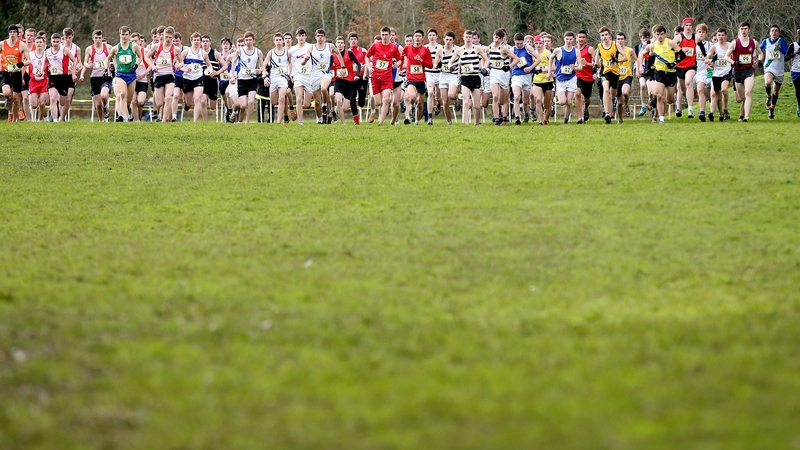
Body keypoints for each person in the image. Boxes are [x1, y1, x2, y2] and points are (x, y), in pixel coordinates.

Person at [300, 28, 344, 124]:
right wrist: (306, 59)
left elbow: (338, 54)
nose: (320, 38)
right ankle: (320, 119)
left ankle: (325, 104)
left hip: (326, 73)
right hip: (315, 75)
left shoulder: (330, 46)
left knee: (324, 89)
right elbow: (303, 62)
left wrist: (343, 66)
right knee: (316, 102)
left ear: (324, 37)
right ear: (315, 37)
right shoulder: (311, 48)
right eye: (318, 36)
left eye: (322, 36)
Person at [639, 24, 681, 124]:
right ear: (653, 34)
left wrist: (675, 63)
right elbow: (641, 54)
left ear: (664, 34)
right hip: (653, 72)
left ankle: (656, 112)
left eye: (661, 34)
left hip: (669, 73)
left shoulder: (668, 43)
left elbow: (679, 53)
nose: (658, 35)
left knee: (668, 99)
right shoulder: (649, 45)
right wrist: (640, 67)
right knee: (657, 95)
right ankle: (658, 115)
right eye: (656, 33)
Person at [724, 21, 763, 122]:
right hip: (738, 72)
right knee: (742, 97)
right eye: (742, 29)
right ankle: (742, 114)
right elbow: (726, 57)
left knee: (748, 92)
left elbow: (761, 53)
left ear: (749, 30)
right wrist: (734, 62)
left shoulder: (754, 42)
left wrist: (759, 61)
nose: (744, 31)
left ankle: (746, 116)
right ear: (739, 30)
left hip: (749, 71)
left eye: (745, 29)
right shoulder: (734, 43)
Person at [107, 26, 145, 122]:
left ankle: (126, 113)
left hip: (131, 75)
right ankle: (125, 118)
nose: (124, 36)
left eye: (126, 34)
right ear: (120, 35)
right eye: (122, 34)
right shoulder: (116, 48)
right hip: (120, 74)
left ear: (129, 35)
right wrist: (107, 70)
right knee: (122, 94)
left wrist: (136, 65)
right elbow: (108, 58)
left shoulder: (134, 47)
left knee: (129, 99)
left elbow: (141, 57)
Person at [366, 26, 402, 125]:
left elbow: (400, 60)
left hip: (387, 77)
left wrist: (396, 65)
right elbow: (367, 57)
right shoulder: (375, 45)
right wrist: (369, 68)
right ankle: (383, 111)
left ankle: (380, 122)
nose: (385, 37)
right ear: (380, 35)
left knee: (386, 98)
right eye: (383, 35)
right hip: (376, 77)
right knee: (379, 102)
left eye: (386, 35)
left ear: (390, 35)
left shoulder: (394, 48)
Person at [451, 30, 488, 125]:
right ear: (463, 38)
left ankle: (476, 123)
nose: (468, 39)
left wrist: (484, 68)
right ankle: (467, 124)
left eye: (470, 37)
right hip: (465, 78)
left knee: (477, 106)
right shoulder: (459, 50)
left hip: (475, 77)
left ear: (472, 39)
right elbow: (450, 61)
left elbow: (487, 60)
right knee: (466, 102)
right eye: (466, 37)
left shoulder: (477, 49)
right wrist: (452, 66)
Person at [145, 26, 181, 122]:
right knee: (160, 103)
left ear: (173, 37)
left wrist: (178, 64)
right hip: (158, 75)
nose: (168, 39)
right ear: (163, 36)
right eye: (166, 37)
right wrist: (152, 66)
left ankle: (163, 120)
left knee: (168, 97)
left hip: (169, 75)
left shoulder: (176, 49)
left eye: (170, 37)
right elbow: (147, 57)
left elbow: (181, 61)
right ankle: (161, 113)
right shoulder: (157, 46)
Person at [179, 32, 216, 122]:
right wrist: (184, 69)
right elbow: (178, 64)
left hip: (198, 78)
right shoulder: (186, 52)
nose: (196, 42)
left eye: (198, 40)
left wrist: (211, 70)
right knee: (189, 102)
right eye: (194, 40)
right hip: (187, 78)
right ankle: (187, 104)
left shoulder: (203, 54)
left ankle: (195, 122)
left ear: (200, 42)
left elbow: (209, 65)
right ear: (191, 41)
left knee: (197, 98)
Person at [486, 28, 519, 125]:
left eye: (499, 38)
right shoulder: (489, 48)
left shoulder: (503, 48)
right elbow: (484, 59)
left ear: (502, 39)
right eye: (495, 37)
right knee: (495, 96)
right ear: (493, 36)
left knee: (503, 100)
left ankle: (504, 116)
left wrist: (509, 66)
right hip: (494, 73)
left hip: (503, 74)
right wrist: (485, 67)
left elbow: (516, 59)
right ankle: (496, 119)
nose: (496, 40)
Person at [548, 31, 582, 124]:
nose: (569, 41)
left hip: (571, 78)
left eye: (570, 39)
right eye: (567, 39)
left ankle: (566, 120)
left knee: (569, 102)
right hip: (560, 79)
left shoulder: (576, 51)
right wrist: (549, 72)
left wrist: (574, 67)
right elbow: (551, 58)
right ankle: (566, 117)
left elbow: (580, 67)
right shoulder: (558, 50)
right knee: (563, 101)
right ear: (564, 39)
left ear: (573, 40)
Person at [229, 31, 263, 124]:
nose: (248, 42)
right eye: (246, 40)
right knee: (243, 105)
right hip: (242, 80)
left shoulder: (258, 52)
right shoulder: (239, 51)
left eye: (250, 40)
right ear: (244, 41)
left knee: (251, 101)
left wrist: (260, 70)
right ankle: (239, 120)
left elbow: (262, 66)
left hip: (252, 80)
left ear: (253, 41)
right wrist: (232, 75)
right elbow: (234, 62)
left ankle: (247, 123)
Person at [595, 26, 627, 124]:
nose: (604, 37)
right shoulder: (599, 46)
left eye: (606, 35)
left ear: (610, 36)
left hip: (615, 73)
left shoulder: (615, 44)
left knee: (612, 95)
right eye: (602, 35)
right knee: (605, 90)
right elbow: (597, 59)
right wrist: (595, 65)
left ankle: (613, 113)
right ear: (600, 37)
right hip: (605, 72)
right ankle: (607, 113)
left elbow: (625, 57)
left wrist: (617, 60)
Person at [402, 29, 433, 124]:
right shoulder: (407, 48)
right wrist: (400, 68)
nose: (417, 38)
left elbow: (430, 65)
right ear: (413, 38)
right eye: (416, 36)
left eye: (419, 36)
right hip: (411, 78)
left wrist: (422, 61)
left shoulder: (425, 50)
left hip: (421, 79)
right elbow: (401, 58)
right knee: (412, 97)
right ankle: (411, 107)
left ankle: (417, 120)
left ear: (422, 38)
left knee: (420, 105)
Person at [44, 32, 78, 121]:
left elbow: (74, 60)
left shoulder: (65, 50)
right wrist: (42, 72)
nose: (55, 44)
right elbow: (45, 62)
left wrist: (73, 74)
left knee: (63, 102)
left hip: (63, 77)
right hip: (52, 77)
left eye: (57, 42)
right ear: (51, 41)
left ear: (60, 41)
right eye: (54, 41)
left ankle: (60, 115)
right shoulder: (47, 52)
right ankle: (55, 121)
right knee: (53, 98)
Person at [80, 29, 112, 122]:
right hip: (94, 77)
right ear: (93, 38)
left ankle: (105, 107)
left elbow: (114, 58)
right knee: (97, 104)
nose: (98, 40)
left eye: (99, 38)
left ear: (102, 38)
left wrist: (114, 68)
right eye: (96, 38)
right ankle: (101, 121)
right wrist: (87, 65)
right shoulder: (89, 49)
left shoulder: (108, 47)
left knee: (104, 96)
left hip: (106, 76)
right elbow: (85, 62)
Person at [1, 24, 31, 123]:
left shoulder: (22, 45)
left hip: (17, 73)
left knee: (16, 99)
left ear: (18, 34)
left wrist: (22, 63)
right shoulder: (2, 44)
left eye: (14, 32)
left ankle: (15, 116)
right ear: (8, 34)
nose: (12, 34)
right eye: (10, 32)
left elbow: (29, 61)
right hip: (6, 72)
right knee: (6, 93)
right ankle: (10, 111)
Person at [330, 35, 362, 124]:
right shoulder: (333, 56)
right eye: (338, 43)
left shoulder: (350, 53)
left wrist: (357, 75)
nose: (340, 45)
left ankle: (339, 112)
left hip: (349, 82)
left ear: (344, 44)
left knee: (345, 108)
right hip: (339, 81)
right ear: (335, 45)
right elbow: (329, 67)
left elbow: (358, 65)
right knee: (339, 100)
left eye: (341, 43)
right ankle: (343, 123)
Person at [759, 25, 789, 119]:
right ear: (769, 33)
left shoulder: (782, 41)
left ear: (779, 33)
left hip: (779, 69)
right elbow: (759, 49)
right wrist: (759, 57)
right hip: (769, 67)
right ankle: (768, 97)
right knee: (767, 82)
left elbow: (786, 52)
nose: (774, 32)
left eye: (776, 31)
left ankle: (771, 109)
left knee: (775, 91)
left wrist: (779, 48)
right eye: (772, 31)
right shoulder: (766, 41)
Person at [510, 32, 540, 125]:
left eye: (520, 43)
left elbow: (538, 59)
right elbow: (510, 63)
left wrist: (531, 68)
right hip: (516, 76)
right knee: (516, 96)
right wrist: (511, 68)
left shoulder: (528, 48)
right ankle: (517, 118)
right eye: (517, 43)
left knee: (526, 100)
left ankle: (526, 114)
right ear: (514, 41)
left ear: (523, 42)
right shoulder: (511, 49)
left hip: (527, 76)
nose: (519, 45)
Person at [262, 32, 293, 124]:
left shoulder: (287, 52)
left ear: (283, 41)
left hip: (283, 78)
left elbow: (290, 63)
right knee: (273, 102)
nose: (278, 42)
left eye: (280, 40)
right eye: (277, 40)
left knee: (282, 98)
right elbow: (264, 64)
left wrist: (289, 74)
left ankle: (279, 121)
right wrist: (265, 76)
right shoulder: (271, 53)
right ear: (274, 42)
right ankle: (280, 116)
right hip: (273, 78)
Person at [434, 30, 460, 125]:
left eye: (450, 40)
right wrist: (437, 64)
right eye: (447, 39)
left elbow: (463, 59)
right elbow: (435, 63)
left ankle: (456, 99)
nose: (448, 41)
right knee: (445, 101)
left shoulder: (457, 49)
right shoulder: (440, 50)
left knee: (451, 95)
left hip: (453, 75)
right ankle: (449, 121)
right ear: (444, 39)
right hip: (443, 75)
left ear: (453, 41)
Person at [707, 28, 732, 122]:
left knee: (724, 89)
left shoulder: (730, 46)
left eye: (722, 35)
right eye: (719, 35)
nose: (720, 37)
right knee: (714, 94)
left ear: (726, 36)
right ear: (716, 36)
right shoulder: (714, 47)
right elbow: (707, 58)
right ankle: (712, 113)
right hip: (716, 73)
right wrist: (709, 62)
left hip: (726, 72)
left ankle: (725, 110)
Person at [675, 18, 697, 118]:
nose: (688, 27)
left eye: (690, 25)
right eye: (686, 25)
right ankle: (678, 107)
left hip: (691, 65)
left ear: (692, 26)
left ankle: (690, 109)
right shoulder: (679, 37)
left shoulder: (695, 38)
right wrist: (681, 50)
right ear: (683, 26)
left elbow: (702, 47)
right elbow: (670, 49)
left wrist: (706, 57)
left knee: (689, 83)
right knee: (681, 88)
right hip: (680, 66)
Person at [289, 28, 312, 125]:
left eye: (303, 35)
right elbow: (288, 62)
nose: (301, 37)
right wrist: (290, 74)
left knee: (306, 104)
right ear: (296, 37)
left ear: (305, 37)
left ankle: (307, 104)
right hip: (298, 75)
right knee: (298, 98)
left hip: (309, 76)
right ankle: (300, 122)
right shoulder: (292, 49)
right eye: (299, 36)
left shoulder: (310, 47)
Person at [531, 35, 554, 125]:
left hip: (547, 80)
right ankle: (540, 120)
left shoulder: (548, 53)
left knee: (547, 104)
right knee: (538, 100)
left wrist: (546, 70)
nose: (538, 45)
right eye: (536, 43)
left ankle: (545, 119)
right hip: (537, 81)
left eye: (540, 43)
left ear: (543, 43)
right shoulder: (532, 54)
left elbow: (554, 67)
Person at [692, 24, 713, 122]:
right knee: (684, 90)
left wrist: (710, 63)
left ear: (706, 34)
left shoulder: (710, 45)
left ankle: (702, 112)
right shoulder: (692, 44)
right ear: (696, 33)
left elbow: (715, 56)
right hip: (691, 70)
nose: (701, 34)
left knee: (700, 90)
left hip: (703, 71)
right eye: (699, 32)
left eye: (703, 32)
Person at [27, 35, 49, 121]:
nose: (39, 44)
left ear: (44, 43)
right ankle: (45, 115)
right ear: (34, 43)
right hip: (33, 81)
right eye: (37, 42)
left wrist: (44, 71)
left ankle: (39, 121)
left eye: (41, 42)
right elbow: (26, 65)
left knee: (42, 103)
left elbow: (50, 65)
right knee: (34, 105)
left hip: (44, 81)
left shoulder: (47, 54)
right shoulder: (30, 54)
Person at [575, 30, 596, 123]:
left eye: (583, 37)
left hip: (588, 77)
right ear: (576, 38)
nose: (581, 39)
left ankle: (586, 108)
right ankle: (580, 116)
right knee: (578, 93)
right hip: (577, 76)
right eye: (579, 37)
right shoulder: (573, 49)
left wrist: (587, 63)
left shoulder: (590, 49)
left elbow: (597, 64)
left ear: (586, 39)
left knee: (587, 99)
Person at [61, 28, 82, 120]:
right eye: (66, 38)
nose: (68, 40)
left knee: (68, 98)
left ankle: (61, 118)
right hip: (61, 76)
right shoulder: (60, 47)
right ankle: (58, 115)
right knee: (61, 99)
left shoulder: (76, 48)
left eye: (69, 37)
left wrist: (78, 67)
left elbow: (80, 63)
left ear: (73, 36)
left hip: (71, 76)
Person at [614, 32, 634, 122]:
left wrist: (639, 68)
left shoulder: (629, 50)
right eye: (618, 39)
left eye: (622, 39)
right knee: (619, 102)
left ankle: (626, 104)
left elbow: (637, 60)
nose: (620, 41)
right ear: (616, 40)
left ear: (625, 40)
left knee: (625, 93)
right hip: (617, 78)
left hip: (627, 76)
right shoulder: (613, 51)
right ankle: (620, 118)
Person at [424, 28, 442, 124]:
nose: (431, 37)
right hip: (429, 73)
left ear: (436, 37)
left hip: (439, 74)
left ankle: (439, 103)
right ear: (427, 37)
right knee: (430, 93)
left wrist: (438, 63)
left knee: (438, 97)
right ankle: (430, 117)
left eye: (433, 35)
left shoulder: (440, 47)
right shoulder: (424, 48)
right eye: (430, 35)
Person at [131, 32, 150, 121]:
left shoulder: (145, 51)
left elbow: (151, 64)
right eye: (132, 41)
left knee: (141, 102)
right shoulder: (128, 51)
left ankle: (138, 117)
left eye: (136, 40)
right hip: (132, 80)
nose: (134, 42)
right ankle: (137, 120)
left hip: (143, 80)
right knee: (134, 101)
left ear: (140, 41)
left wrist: (144, 73)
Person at [791, 28, 800, 117]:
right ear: (796, 34)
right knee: (798, 90)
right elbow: (786, 58)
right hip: (795, 71)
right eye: (799, 33)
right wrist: (795, 53)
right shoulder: (793, 45)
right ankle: (799, 106)